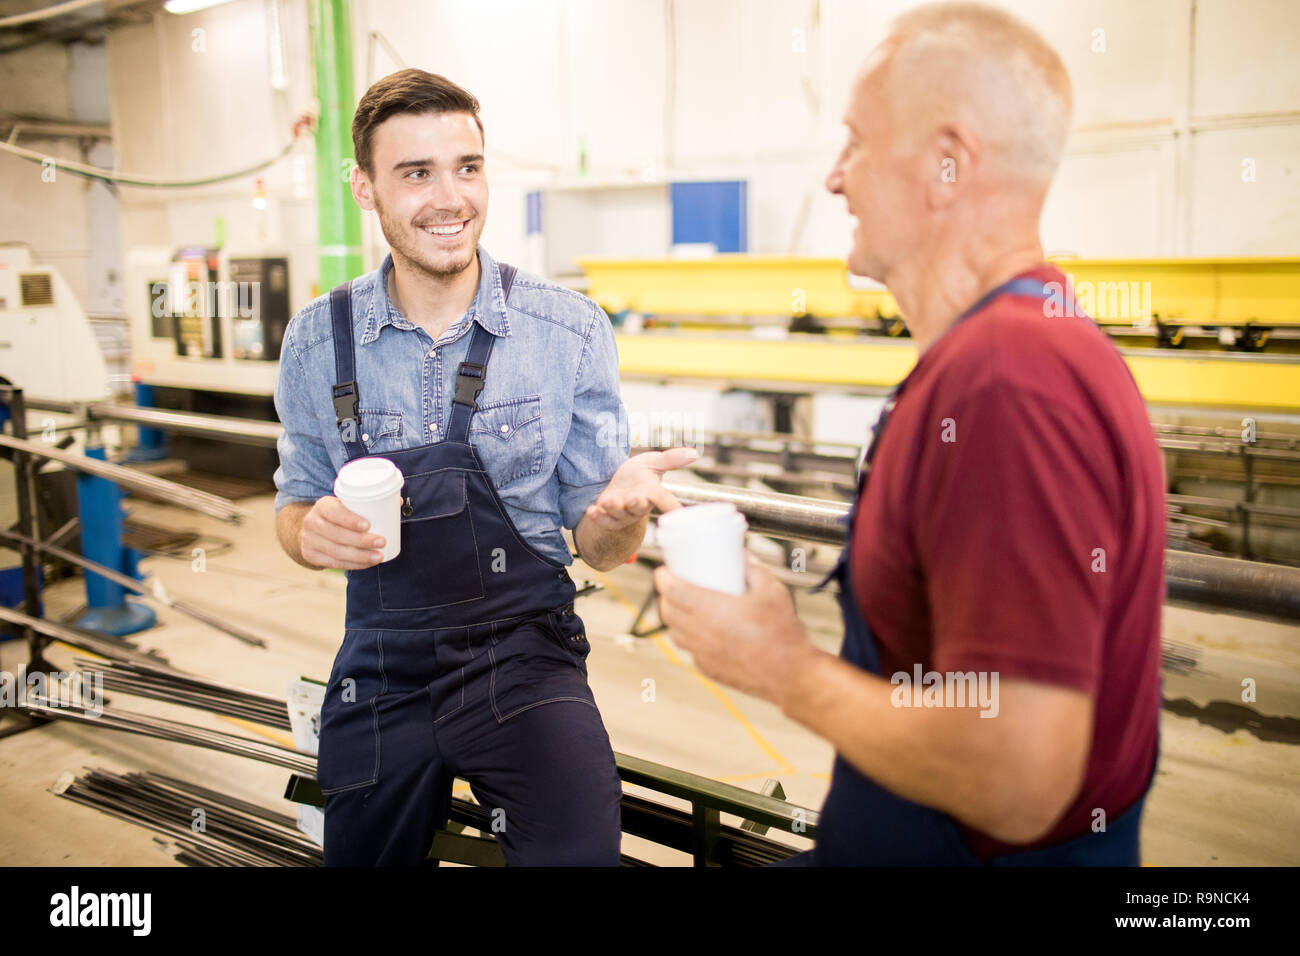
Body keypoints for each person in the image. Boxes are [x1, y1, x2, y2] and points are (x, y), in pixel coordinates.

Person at [654, 2, 1165, 865]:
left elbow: (1019, 773)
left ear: (946, 164)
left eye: (855, 141)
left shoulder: (1009, 378)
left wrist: (782, 667)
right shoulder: (1011, 351)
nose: (835, 179)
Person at [273, 68, 693, 866]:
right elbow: (292, 504)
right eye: (416, 173)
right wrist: (306, 533)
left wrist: (618, 518)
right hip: (381, 661)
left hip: (525, 656)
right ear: (364, 187)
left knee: (578, 855)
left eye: (467, 167)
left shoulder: (565, 330)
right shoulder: (315, 341)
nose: (450, 198)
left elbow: (600, 549)